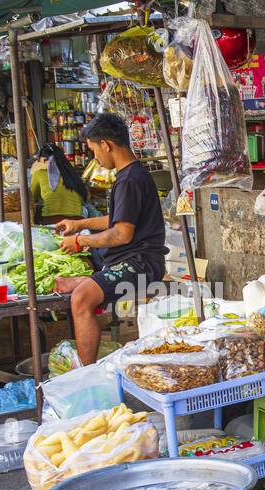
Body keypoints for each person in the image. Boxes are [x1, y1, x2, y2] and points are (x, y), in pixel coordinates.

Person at [52, 112, 167, 369]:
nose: (95, 157)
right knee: (74, 286)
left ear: (106, 145)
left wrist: (81, 242)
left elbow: (121, 234)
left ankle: (86, 372)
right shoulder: (130, 176)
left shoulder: (130, 180)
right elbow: (118, 220)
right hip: (130, 261)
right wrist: (79, 224)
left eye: (94, 150)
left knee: (80, 298)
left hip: (141, 265)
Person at [30, 143, 87, 224]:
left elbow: (31, 198)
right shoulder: (72, 174)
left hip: (51, 220)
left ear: (45, 160)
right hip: (77, 221)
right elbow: (85, 197)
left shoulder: (39, 174)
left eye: (39, 160)